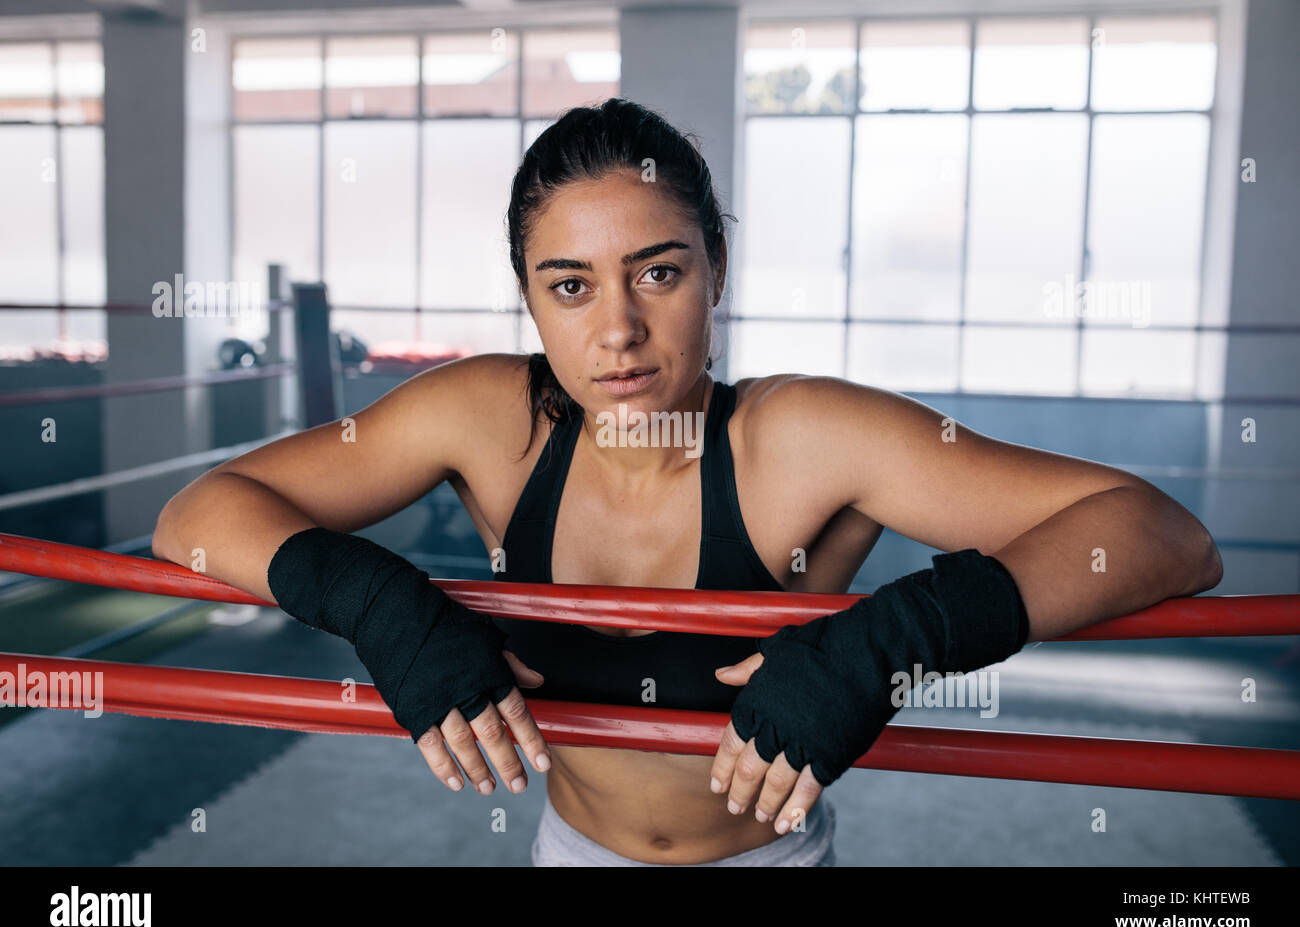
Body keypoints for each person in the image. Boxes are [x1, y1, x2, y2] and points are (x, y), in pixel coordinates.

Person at [152, 98, 1223, 867]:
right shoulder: (488, 418)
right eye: (569, 286)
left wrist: (894, 638)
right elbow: (194, 516)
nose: (616, 330)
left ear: (718, 264)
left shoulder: (799, 435)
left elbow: (1163, 535)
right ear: (529, 298)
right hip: (570, 851)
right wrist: (383, 607)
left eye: (658, 272)